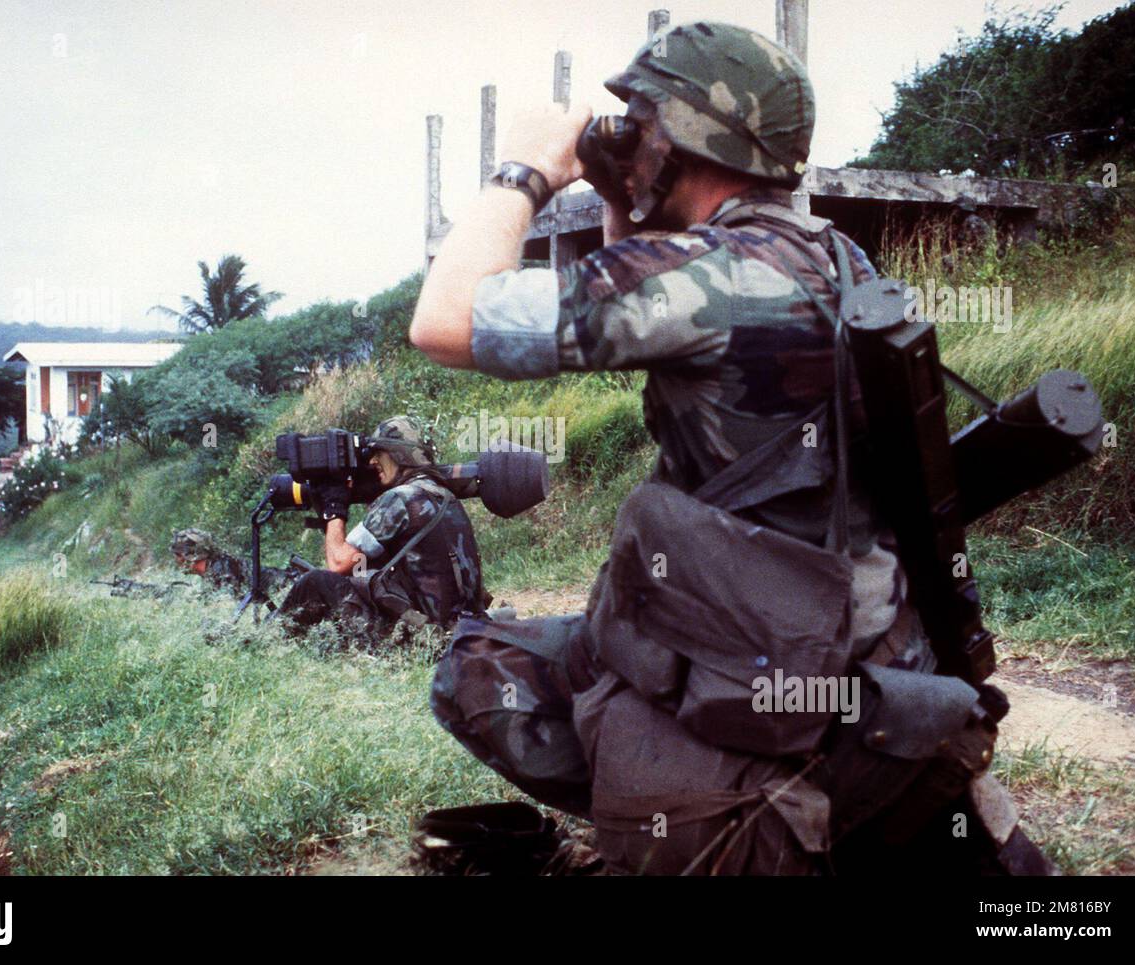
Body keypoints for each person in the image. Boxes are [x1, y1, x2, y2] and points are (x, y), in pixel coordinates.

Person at [410, 21, 1040, 875]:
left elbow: (442, 322)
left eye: (638, 122)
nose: (625, 135)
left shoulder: (704, 277)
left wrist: (522, 170)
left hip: (762, 670)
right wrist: (619, 188)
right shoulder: (834, 255)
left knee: (475, 665)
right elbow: (641, 300)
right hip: (865, 653)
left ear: (683, 137)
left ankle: (718, 816)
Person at [276, 416, 489, 632]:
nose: (372, 461)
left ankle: (270, 640)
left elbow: (339, 563)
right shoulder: (443, 495)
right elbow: (365, 564)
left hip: (420, 635)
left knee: (315, 582)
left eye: (378, 453)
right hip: (457, 628)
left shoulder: (401, 498)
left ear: (398, 453)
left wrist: (333, 509)